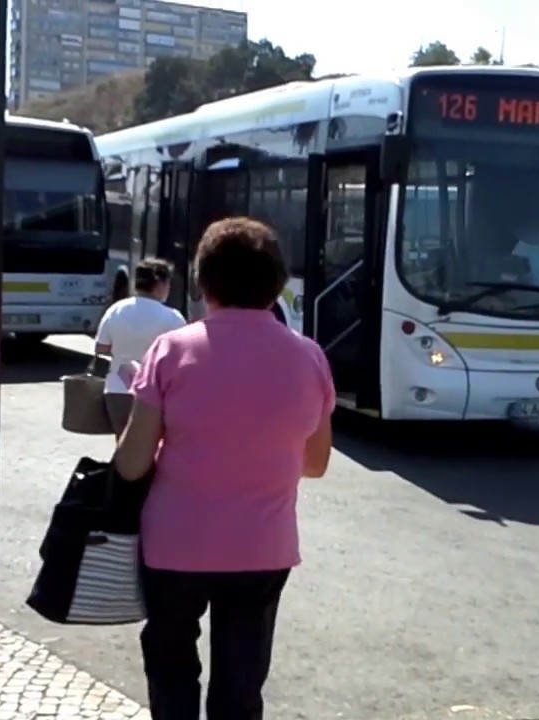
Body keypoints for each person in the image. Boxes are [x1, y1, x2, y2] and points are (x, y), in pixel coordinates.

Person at [114, 216, 335, 720]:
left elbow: (131, 465)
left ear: (202, 282)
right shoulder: (309, 358)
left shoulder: (171, 350)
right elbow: (316, 464)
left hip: (174, 548)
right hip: (263, 548)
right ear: (277, 283)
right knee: (240, 686)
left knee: (171, 672)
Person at [93, 259, 186, 436]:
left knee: (124, 449)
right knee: (151, 450)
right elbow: (182, 359)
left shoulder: (116, 310)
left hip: (117, 392)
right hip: (155, 397)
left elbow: (101, 348)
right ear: (160, 284)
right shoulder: (173, 318)